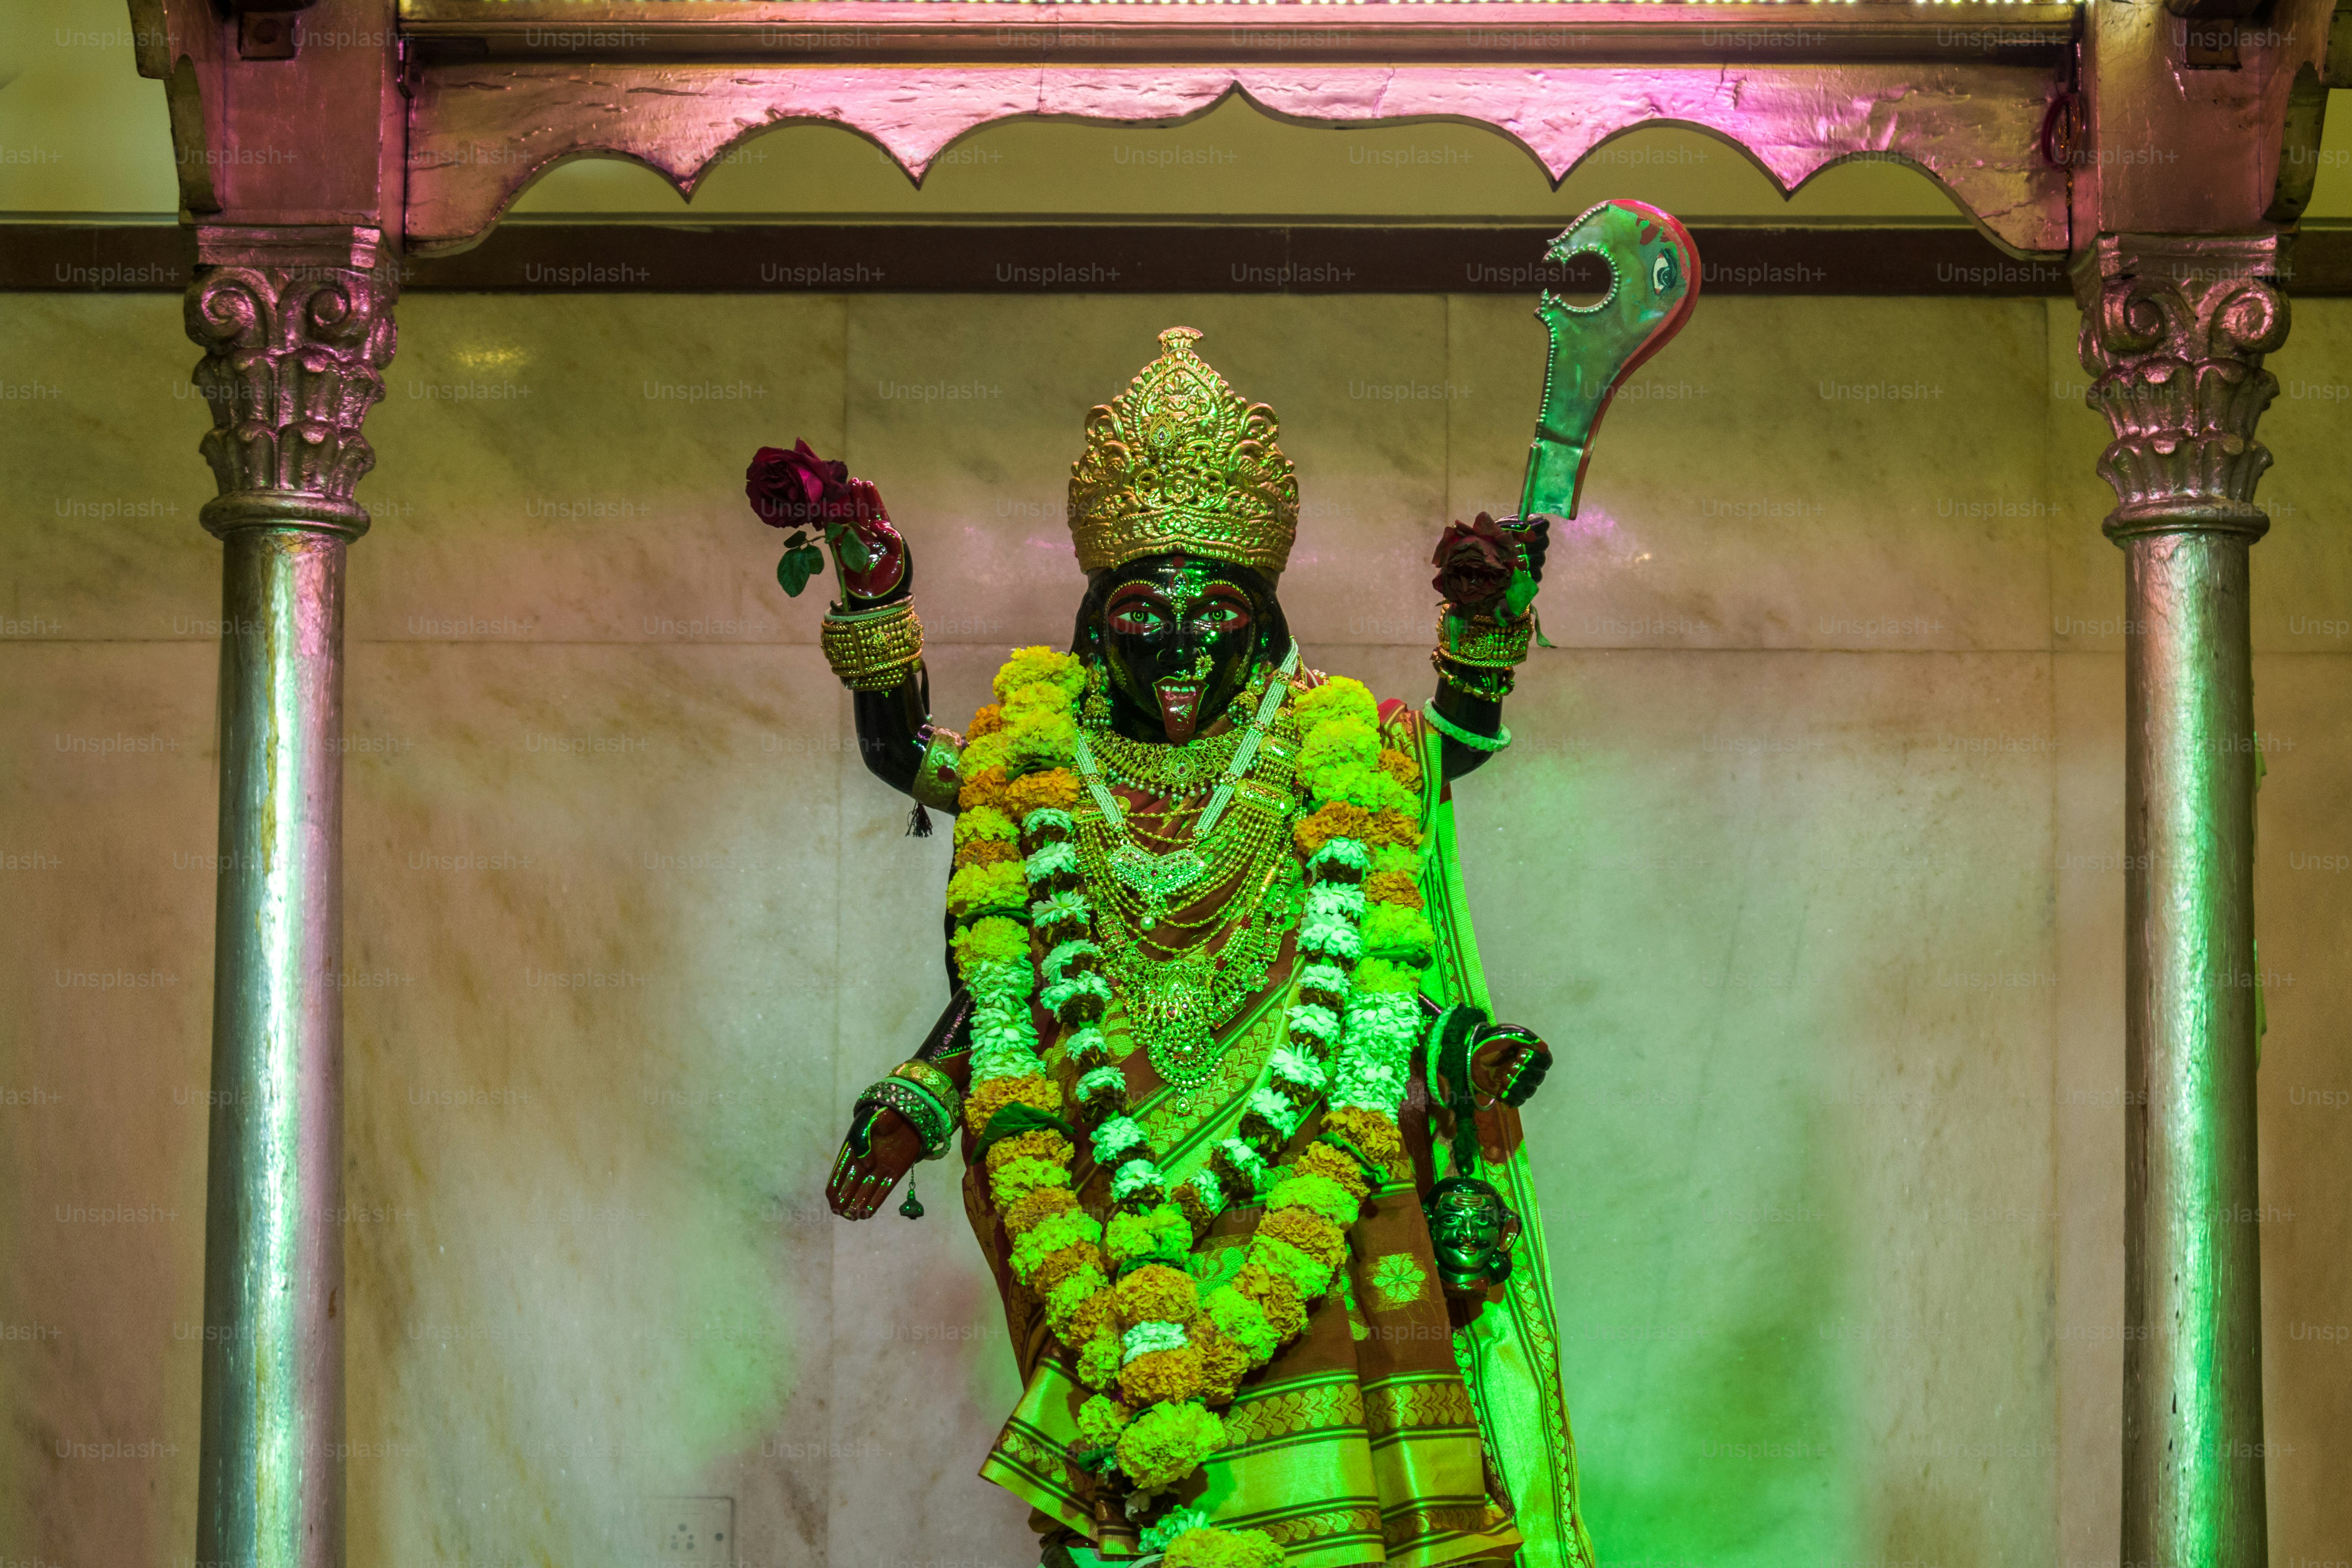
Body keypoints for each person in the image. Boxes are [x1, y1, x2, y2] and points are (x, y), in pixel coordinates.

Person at [752, 327, 1593, 1568]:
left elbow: (1447, 752)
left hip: (1304, 1150)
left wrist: (1485, 632)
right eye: (1146, 612)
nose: (1185, 647)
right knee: (1125, 1477)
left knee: (1325, 1496)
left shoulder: (1331, 744)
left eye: (1222, 614)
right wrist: (927, 1093)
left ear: (1267, 619)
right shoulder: (1041, 761)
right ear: (1099, 620)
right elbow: (951, 859)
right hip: (1100, 1163)